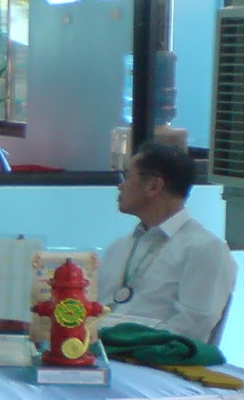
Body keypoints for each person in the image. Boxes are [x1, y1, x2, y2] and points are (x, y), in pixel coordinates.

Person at [96, 140, 236, 343]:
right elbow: (96, 312)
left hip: (156, 366)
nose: (120, 186)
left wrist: (113, 334)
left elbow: (189, 334)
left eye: (127, 176)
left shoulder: (205, 249)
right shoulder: (119, 247)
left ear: (153, 186)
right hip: (107, 358)